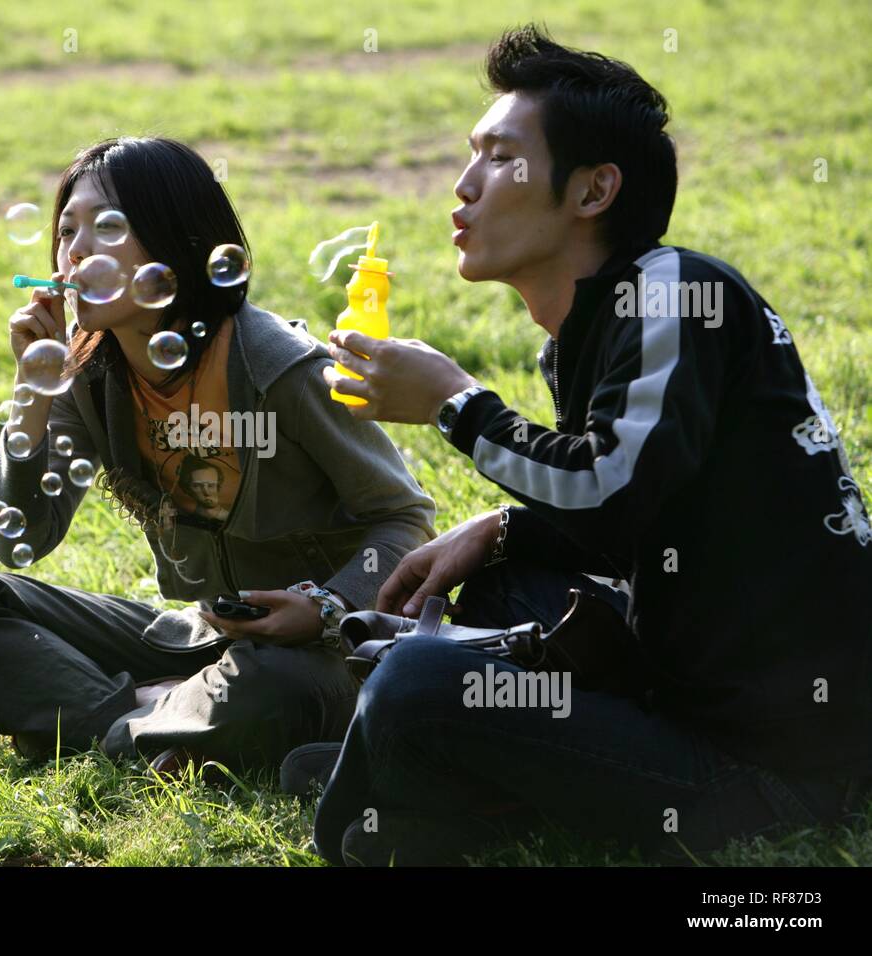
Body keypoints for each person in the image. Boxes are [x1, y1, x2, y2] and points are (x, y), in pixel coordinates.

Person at [291, 25, 872, 865]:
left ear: (594, 190)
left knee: (418, 681)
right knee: (491, 590)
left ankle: (414, 772)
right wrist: (501, 531)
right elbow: (647, 513)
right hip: (679, 680)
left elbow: (610, 492)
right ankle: (424, 763)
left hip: (773, 762)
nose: (462, 187)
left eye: (499, 158)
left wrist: (459, 405)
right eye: (470, 156)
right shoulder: (592, 327)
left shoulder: (676, 294)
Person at [0, 136, 436, 775]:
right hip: (205, 636)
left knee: (269, 688)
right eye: (65, 231)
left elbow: (404, 519)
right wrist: (31, 390)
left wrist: (325, 607)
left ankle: (124, 720)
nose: (76, 251)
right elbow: (20, 538)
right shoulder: (87, 373)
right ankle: (164, 718)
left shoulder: (284, 371)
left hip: (321, 650)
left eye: (106, 227)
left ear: (175, 242)